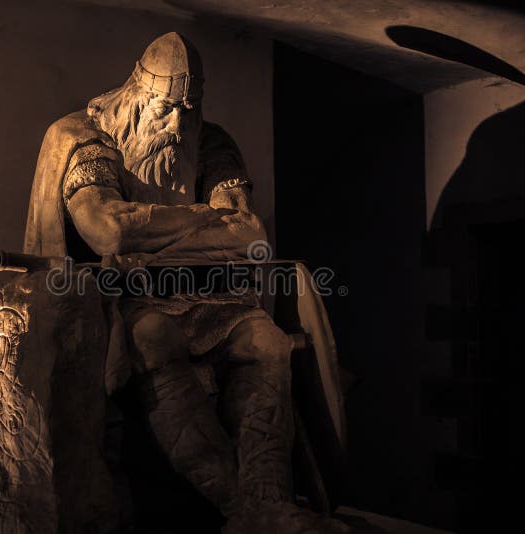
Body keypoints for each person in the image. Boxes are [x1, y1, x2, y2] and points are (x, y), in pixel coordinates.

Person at [23, 32, 348, 533]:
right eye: (164, 107)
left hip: (211, 292)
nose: (177, 123)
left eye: (188, 109)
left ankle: (269, 497)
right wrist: (201, 224)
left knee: (266, 340)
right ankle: (242, 507)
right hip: (119, 298)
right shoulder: (87, 137)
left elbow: (247, 232)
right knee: (154, 338)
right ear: (137, 91)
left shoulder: (212, 141)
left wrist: (147, 236)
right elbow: (103, 228)